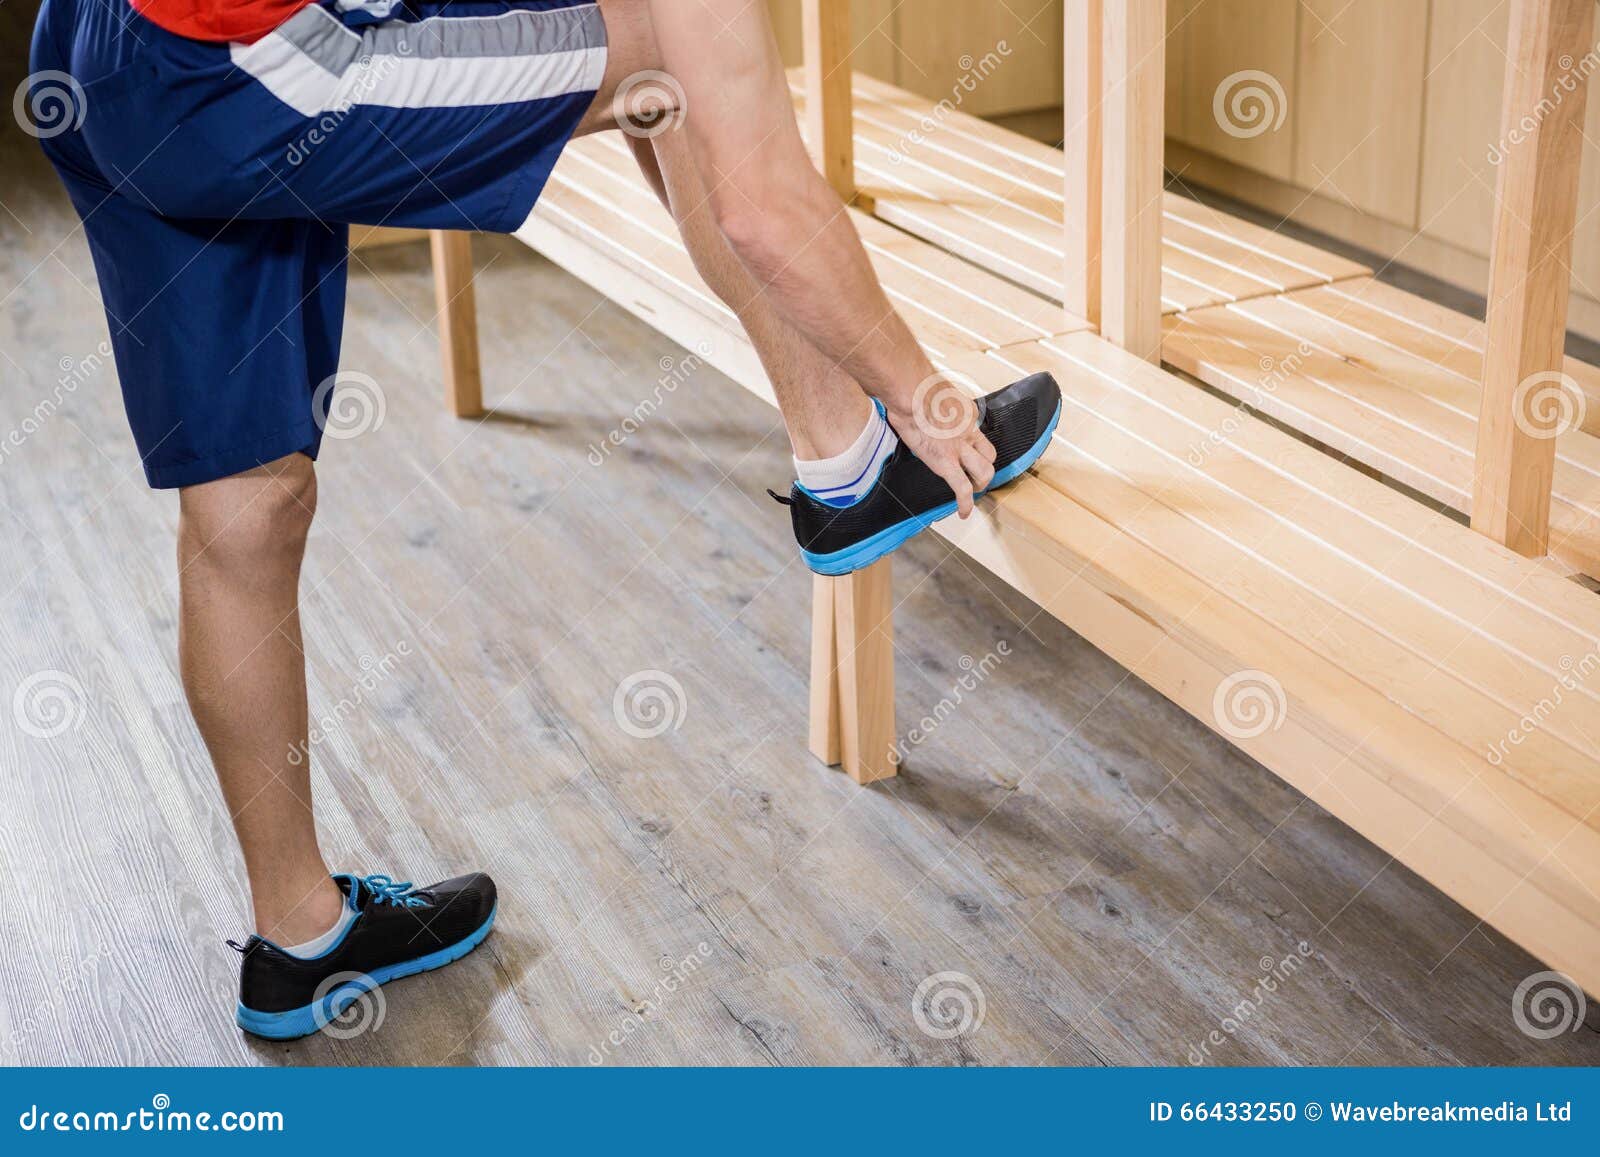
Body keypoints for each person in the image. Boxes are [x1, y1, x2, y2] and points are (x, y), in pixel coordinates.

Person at [26, 0, 1061, 1039]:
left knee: (247, 506)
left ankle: (300, 936)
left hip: (105, 53)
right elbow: (761, 206)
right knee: (665, 57)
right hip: (243, 75)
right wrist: (926, 397)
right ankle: (849, 461)